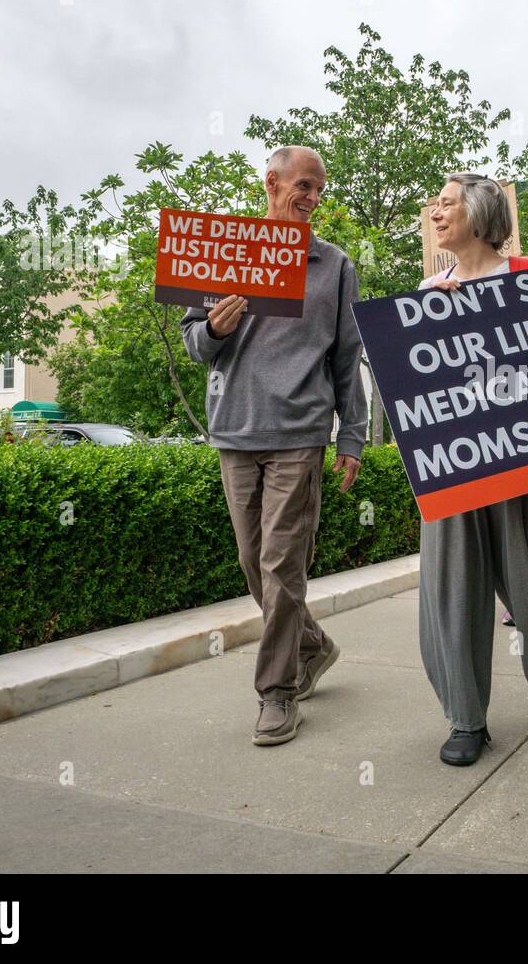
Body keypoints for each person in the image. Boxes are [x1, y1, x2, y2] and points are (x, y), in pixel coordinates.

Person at [180, 146, 367, 747]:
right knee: (252, 562)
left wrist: (353, 435)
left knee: (282, 564)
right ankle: (311, 645)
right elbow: (193, 342)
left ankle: (277, 692)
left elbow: (346, 358)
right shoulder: (221, 251)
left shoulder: (333, 265)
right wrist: (214, 330)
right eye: (304, 186)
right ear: (273, 182)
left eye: (319, 189)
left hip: (300, 435)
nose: (312, 198)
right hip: (234, 430)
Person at [418, 173, 528, 766]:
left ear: (481, 214)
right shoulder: (429, 291)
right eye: (435, 205)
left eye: (447, 203)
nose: (436, 213)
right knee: (452, 588)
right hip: (454, 464)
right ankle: (466, 718)